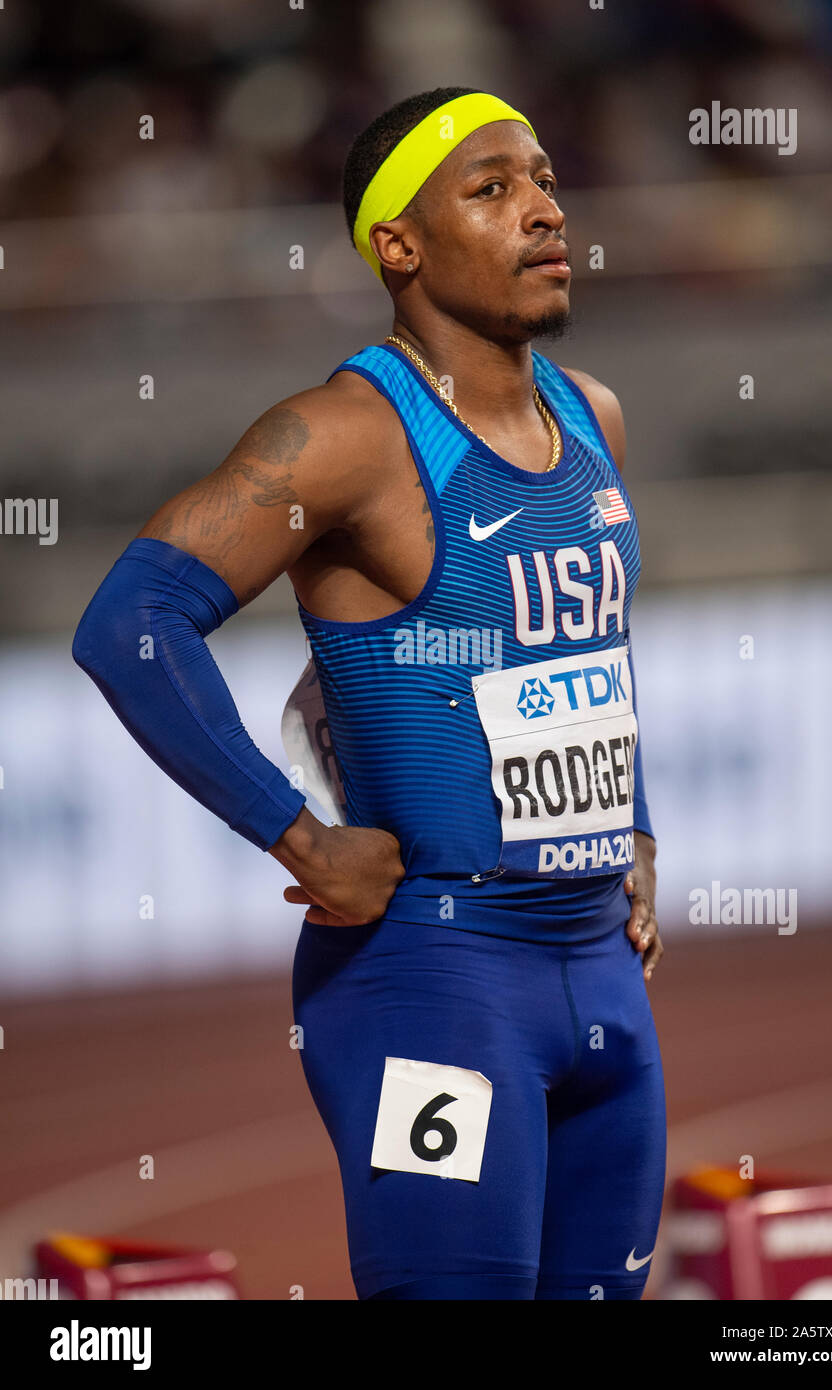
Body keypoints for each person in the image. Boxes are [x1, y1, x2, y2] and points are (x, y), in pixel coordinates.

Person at [73, 86, 666, 1300]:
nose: (544, 210)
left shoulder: (591, 414)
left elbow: (582, 653)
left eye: (546, 179)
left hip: (602, 972)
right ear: (398, 245)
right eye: (491, 189)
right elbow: (129, 622)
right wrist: (298, 838)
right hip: (436, 989)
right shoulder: (346, 438)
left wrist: (635, 822)